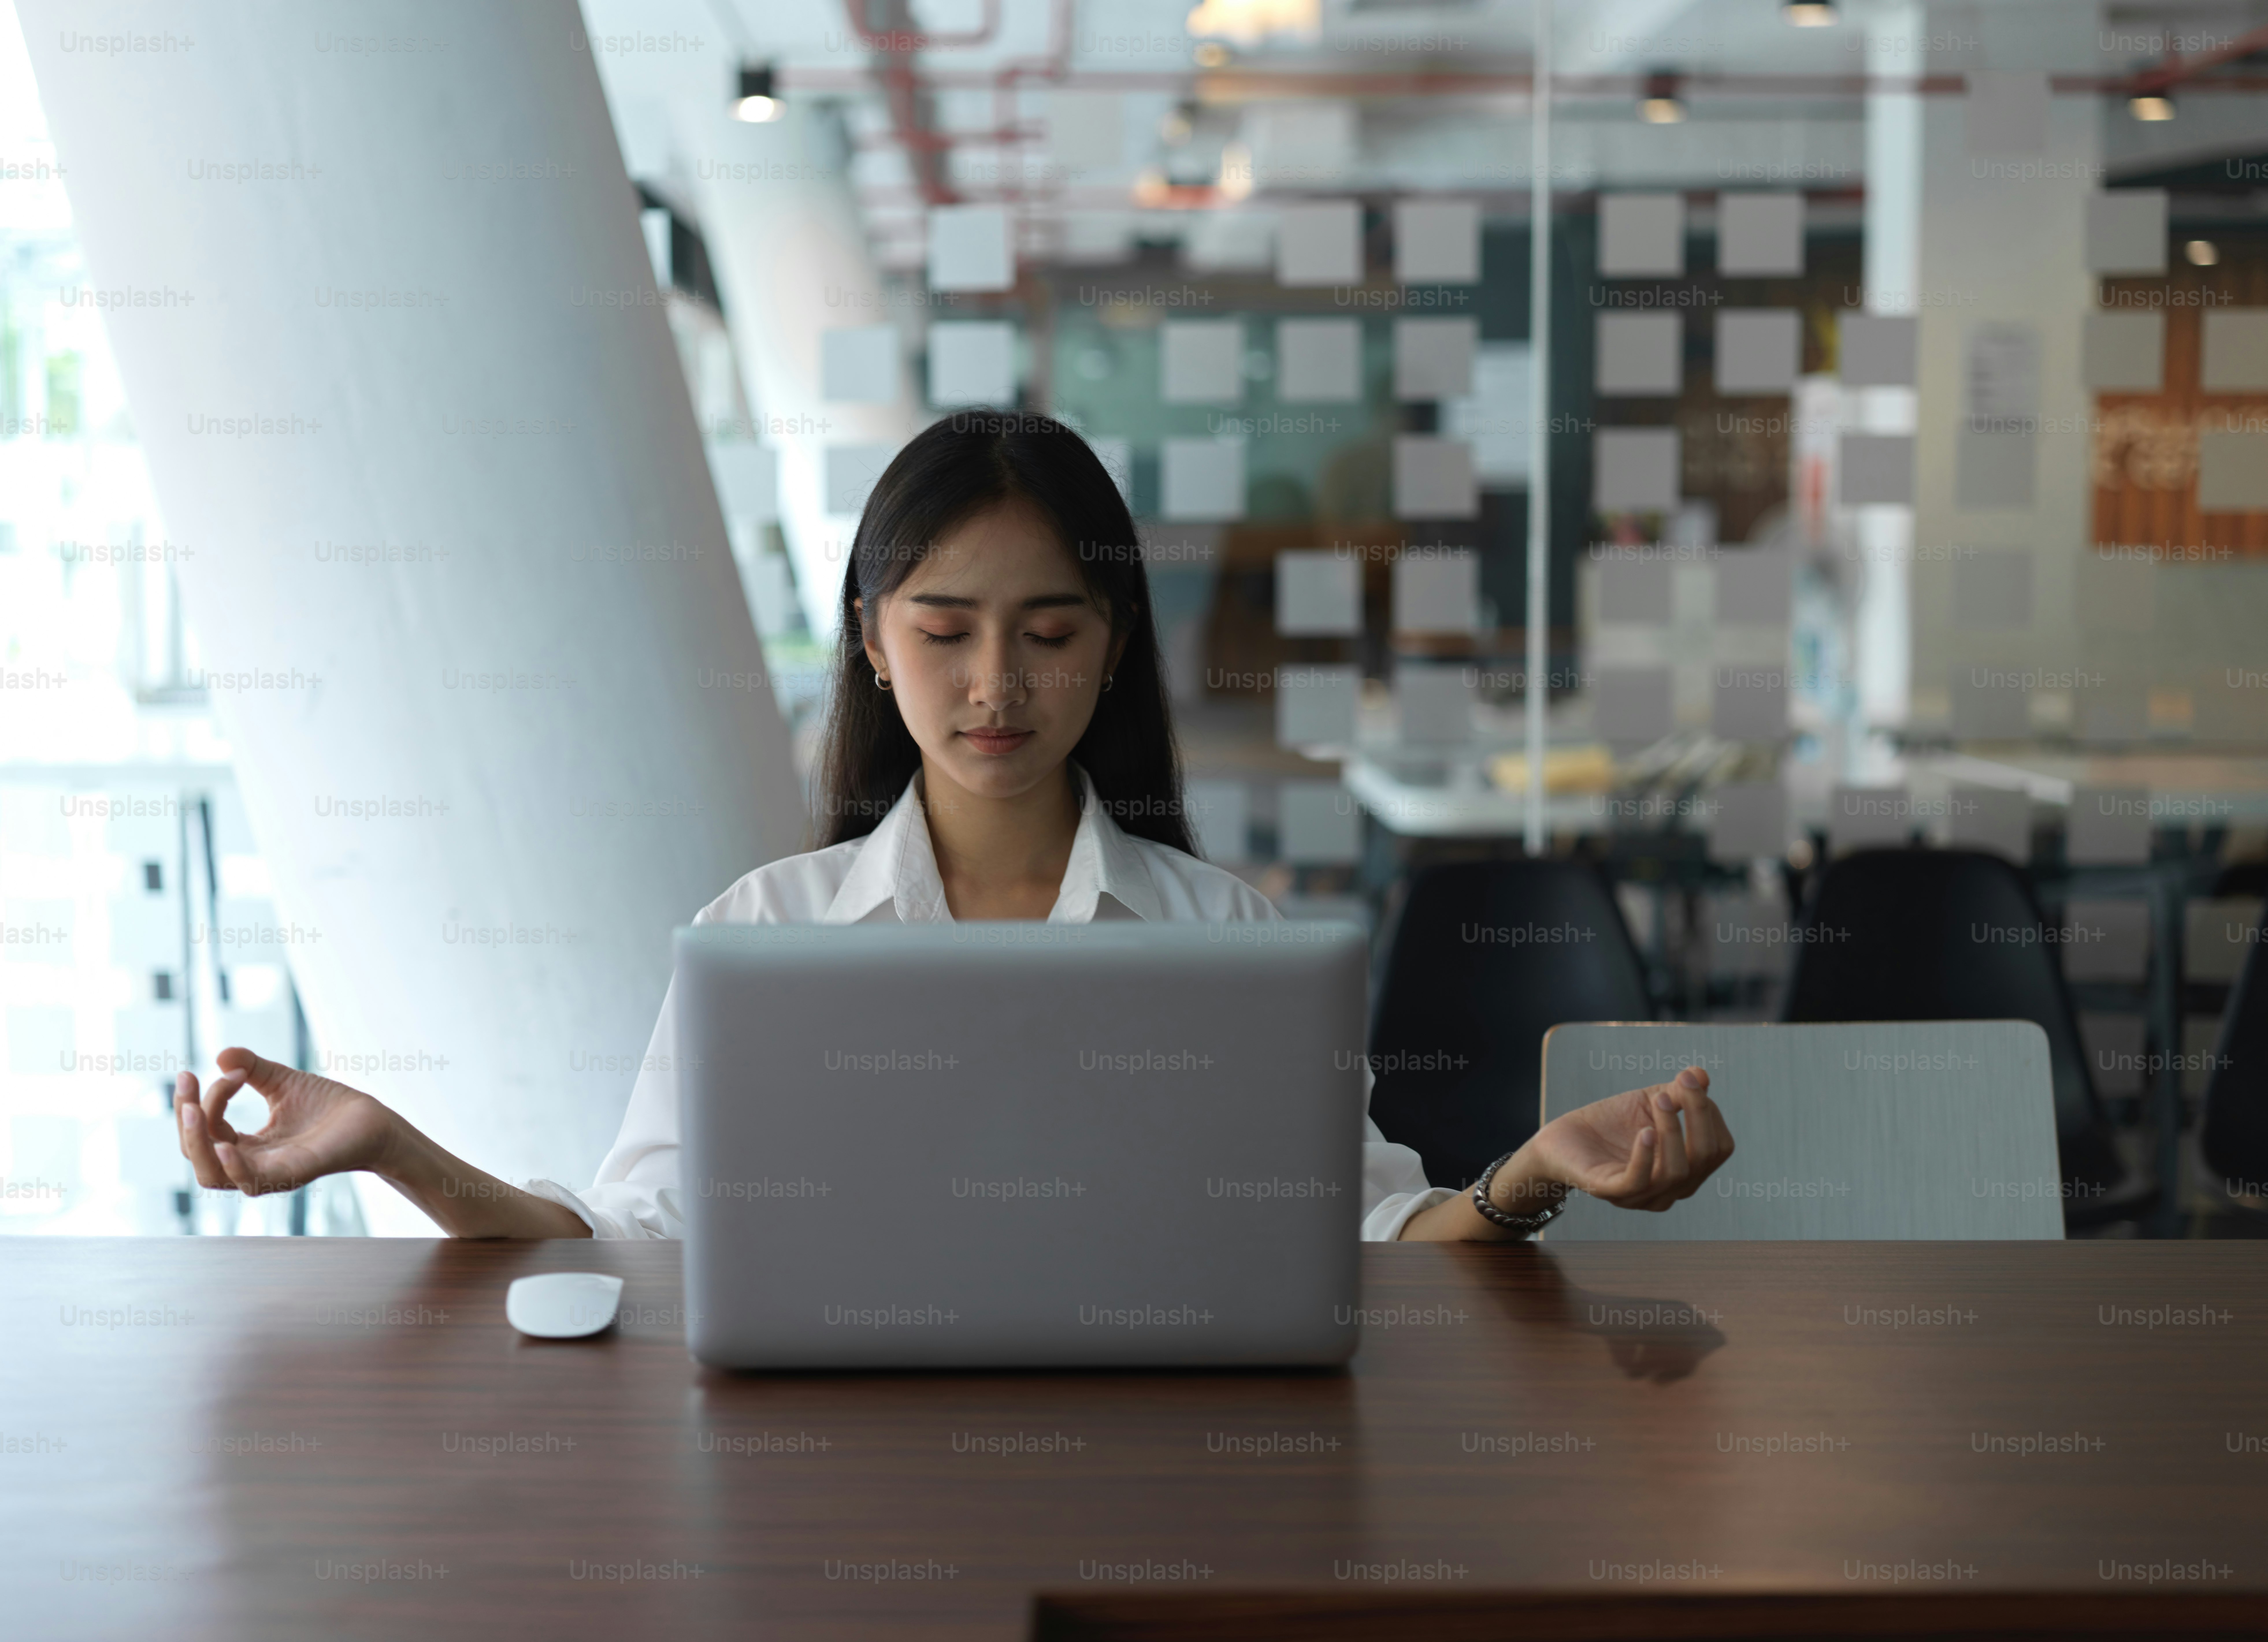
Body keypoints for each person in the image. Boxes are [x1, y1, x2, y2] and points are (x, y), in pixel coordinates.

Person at [174, 412, 1732, 1242]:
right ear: (870, 639)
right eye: (945, 632)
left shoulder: (1232, 944)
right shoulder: (766, 936)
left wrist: (1524, 1175)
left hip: (1175, 1476)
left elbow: (1378, 1243)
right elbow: (627, 1235)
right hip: (836, 1493)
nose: (998, 686)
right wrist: (397, 1153)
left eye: (1050, 634)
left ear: (1112, 646)